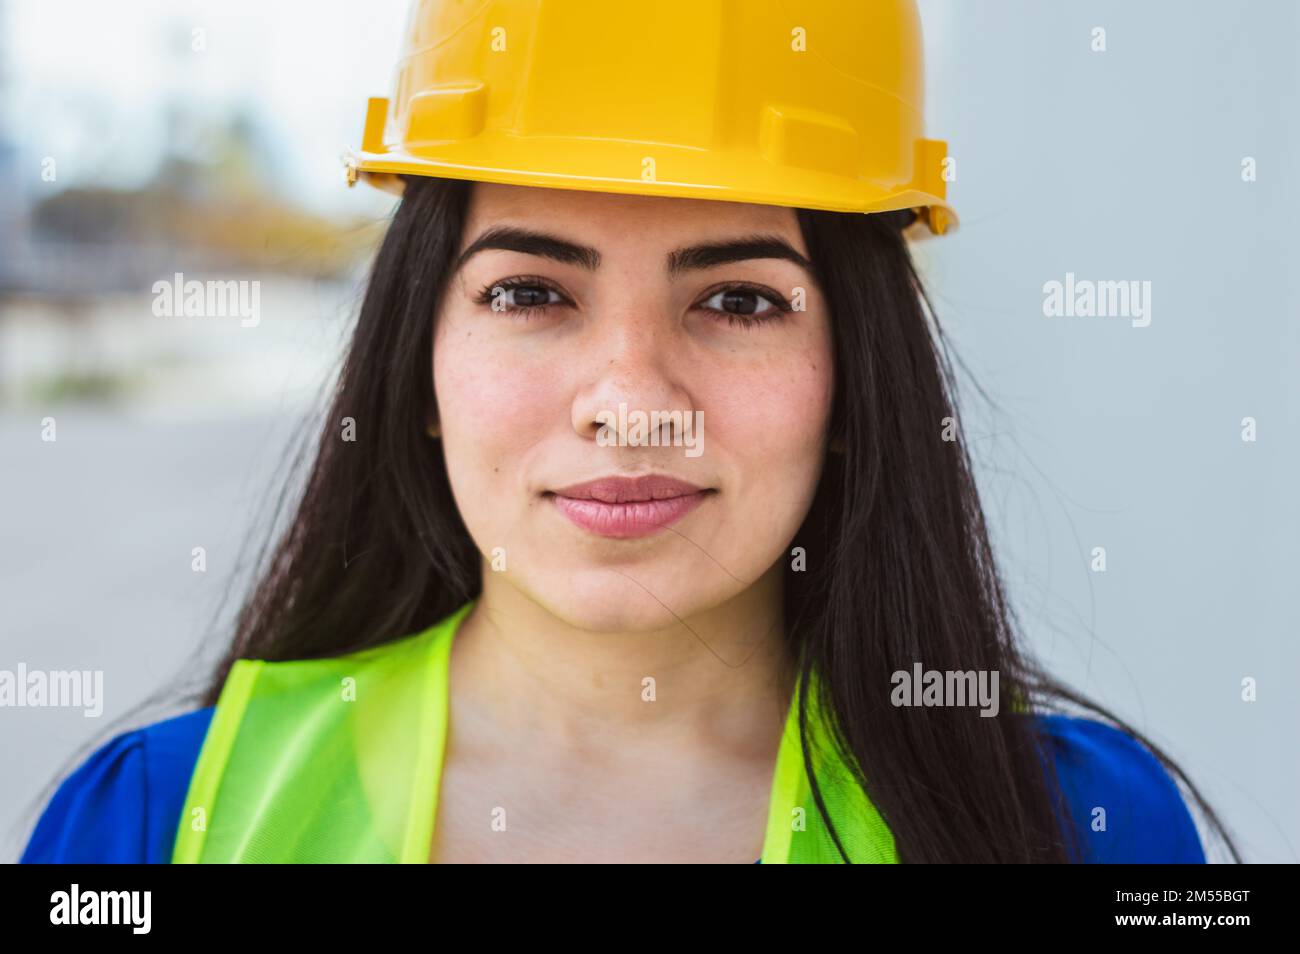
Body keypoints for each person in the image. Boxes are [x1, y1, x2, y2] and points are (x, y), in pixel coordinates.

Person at [22, 0, 1233, 863]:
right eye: (530, 293)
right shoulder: (152, 828)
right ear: (419, 367)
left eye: (739, 300)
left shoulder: (1078, 826)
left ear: (857, 378)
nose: (627, 398)